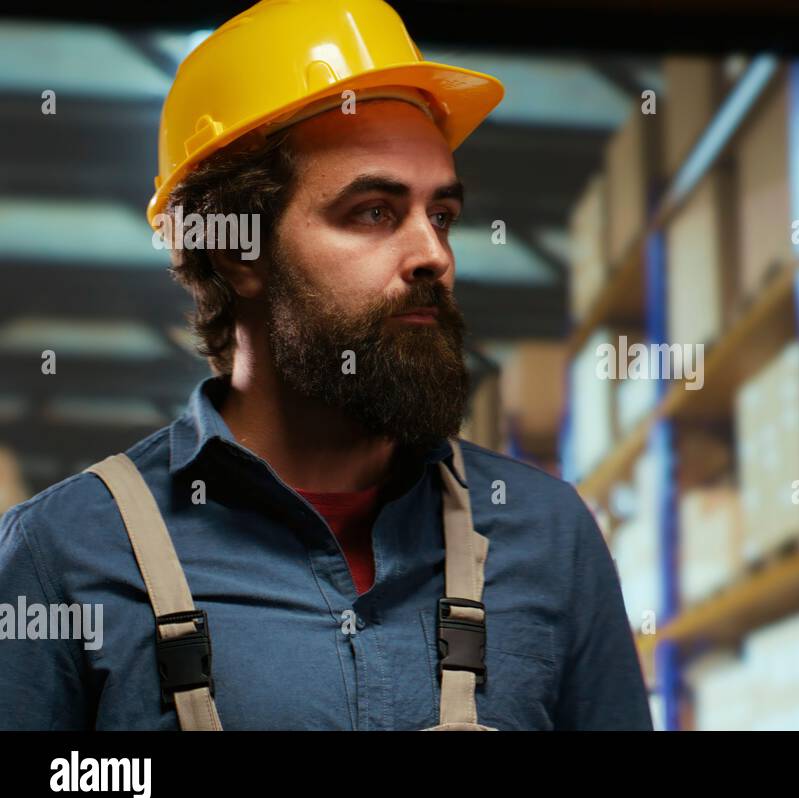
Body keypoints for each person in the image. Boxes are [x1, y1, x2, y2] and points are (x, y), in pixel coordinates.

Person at [0, 0, 653, 731]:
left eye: (440, 215)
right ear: (235, 251)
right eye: (374, 211)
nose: (433, 254)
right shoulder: (65, 555)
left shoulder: (549, 538)